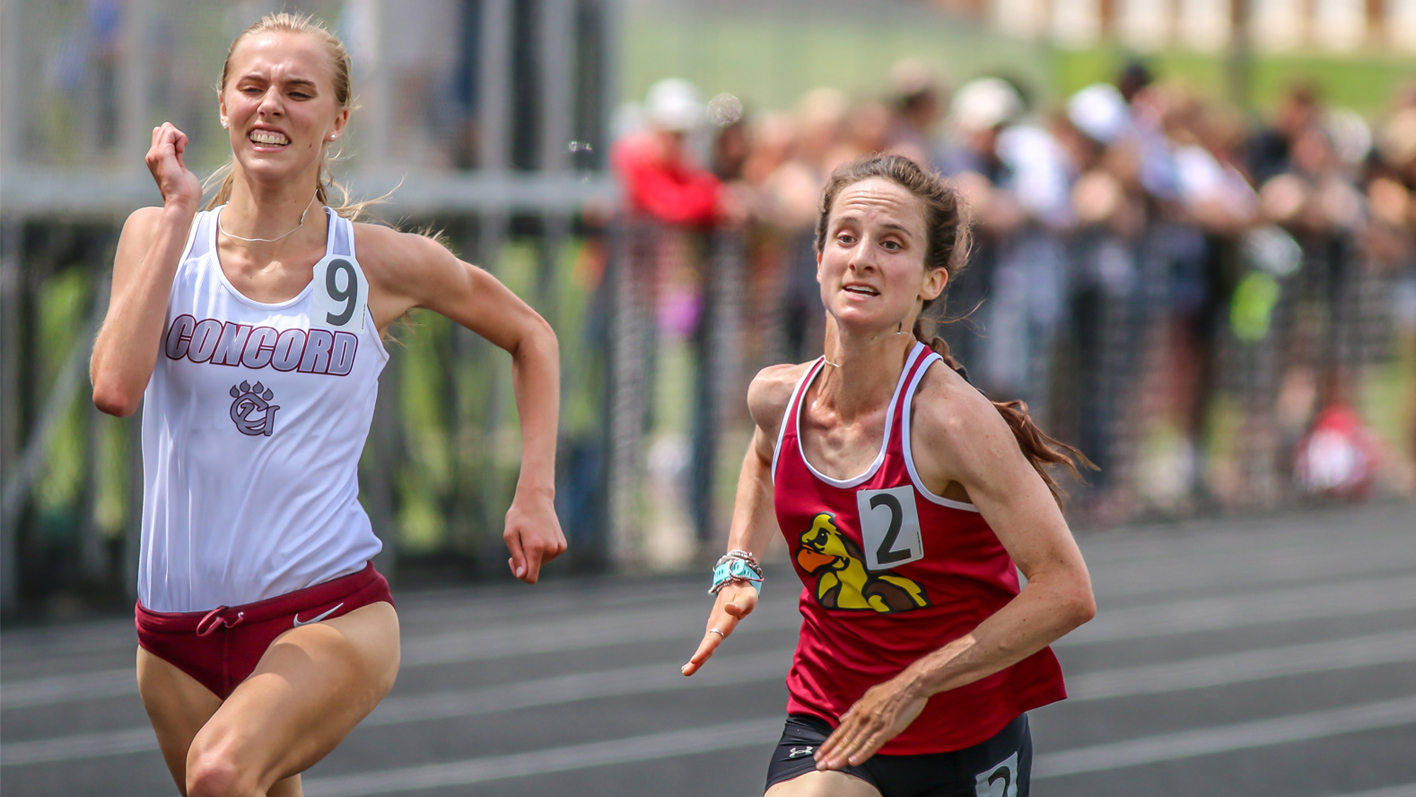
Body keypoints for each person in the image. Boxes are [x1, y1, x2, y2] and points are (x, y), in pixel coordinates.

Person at [88, 13, 565, 797]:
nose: (271, 104)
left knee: (220, 771)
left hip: (325, 612)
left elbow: (531, 334)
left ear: (337, 119)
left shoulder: (372, 261)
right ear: (222, 105)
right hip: (174, 637)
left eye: (299, 91)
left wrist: (535, 489)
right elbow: (114, 388)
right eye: (253, 86)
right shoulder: (160, 238)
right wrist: (177, 217)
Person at [682, 154, 1096, 796]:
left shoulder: (954, 424)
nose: (862, 258)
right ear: (818, 254)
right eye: (845, 237)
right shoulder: (777, 397)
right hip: (832, 725)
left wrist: (915, 683)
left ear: (931, 280)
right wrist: (739, 564)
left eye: (892, 244)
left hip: (964, 738)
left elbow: (1067, 590)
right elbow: (765, 456)